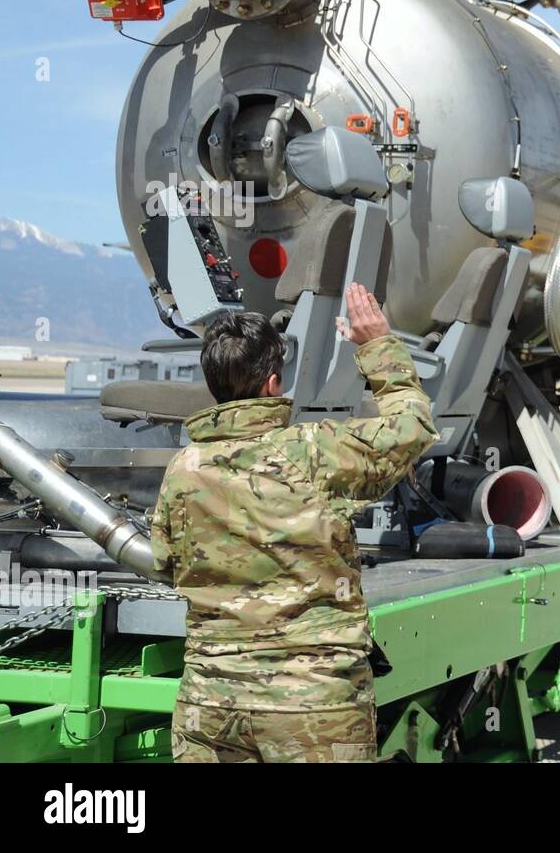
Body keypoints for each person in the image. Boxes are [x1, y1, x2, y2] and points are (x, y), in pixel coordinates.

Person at [149, 283, 438, 762]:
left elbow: (165, 561)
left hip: (210, 703)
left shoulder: (184, 468)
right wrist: (377, 345)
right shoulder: (313, 451)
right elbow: (412, 429)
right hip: (311, 705)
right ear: (272, 384)